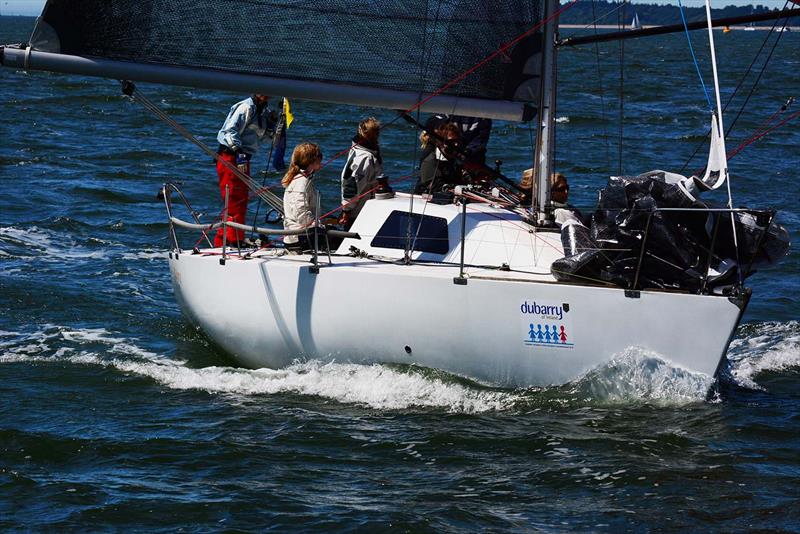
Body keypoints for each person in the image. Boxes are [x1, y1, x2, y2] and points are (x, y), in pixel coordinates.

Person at [214, 94, 277, 247]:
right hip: (231, 156)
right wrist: (239, 154)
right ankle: (232, 240)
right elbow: (229, 131)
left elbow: (264, 139)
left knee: (241, 199)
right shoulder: (246, 107)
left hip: (243, 158)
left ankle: (228, 239)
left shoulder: (263, 112)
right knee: (234, 199)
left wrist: (272, 125)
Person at [339, 117, 392, 229]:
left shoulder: (364, 152)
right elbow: (352, 185)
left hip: (365, 211)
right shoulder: (364, 157)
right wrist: (346, 210)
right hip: (358, 214)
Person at [282, 142, 323, 251]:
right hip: (300, 238)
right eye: (319, 160)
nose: (321, 163)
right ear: (312, 162)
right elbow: (301, 211)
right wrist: (316, 225)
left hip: (300, 236)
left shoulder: (302, 179)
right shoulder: (301, 181)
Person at [414, 122, 466, 194]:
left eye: (457, 141)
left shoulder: (456, 161)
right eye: (451, 141)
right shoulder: (430, 161)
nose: (456, 144)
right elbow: (435, 187)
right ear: (441, 143)